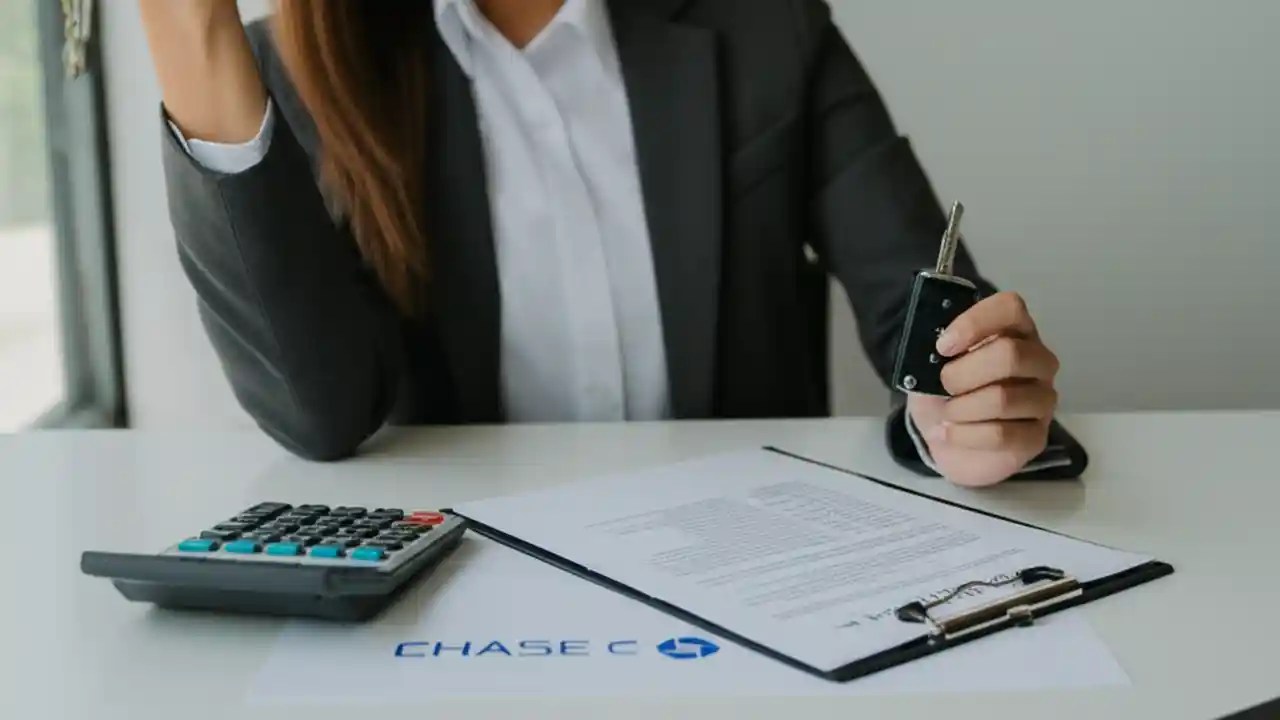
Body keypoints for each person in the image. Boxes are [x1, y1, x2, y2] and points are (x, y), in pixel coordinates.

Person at [138, 0, 1072, 486]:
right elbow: (320, 416)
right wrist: (191, 31)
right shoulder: (298, 72)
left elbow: (923, 307)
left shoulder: (764, 29)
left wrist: (965, 408)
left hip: (757, 583)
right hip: (457, 617)